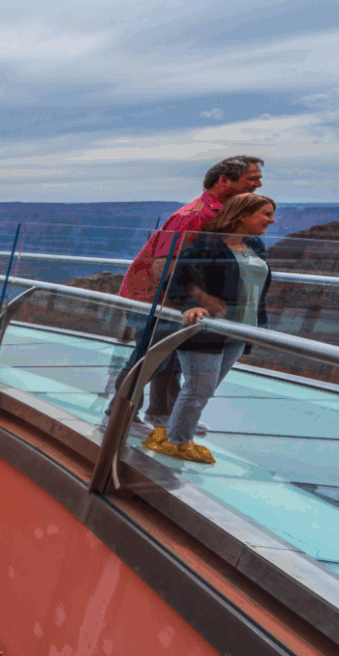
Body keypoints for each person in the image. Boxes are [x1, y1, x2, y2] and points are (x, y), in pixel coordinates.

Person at [114, 155, 265, 436]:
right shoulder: (195, 215)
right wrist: (196, 300)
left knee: (171, 361)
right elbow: (163, 264)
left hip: (175, 301)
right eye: (251, 179)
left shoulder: (219, 213)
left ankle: (163, 416)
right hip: (154, 299)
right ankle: (120, 417)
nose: (257, 184)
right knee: (146, 359)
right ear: (224, 180)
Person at [144, 193, 277, 465]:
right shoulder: (205, 247)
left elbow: (255, 287)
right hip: (206, 329)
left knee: (203, 390)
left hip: (241, 331)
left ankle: (176, 435)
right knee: (199, 389)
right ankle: (177, 442)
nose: (271, 220)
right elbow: (176, 282)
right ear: (242, 215)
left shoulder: (255, 246)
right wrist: (192, 305)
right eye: (266, 213)